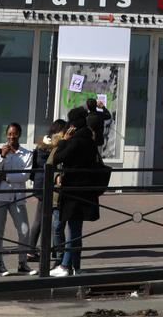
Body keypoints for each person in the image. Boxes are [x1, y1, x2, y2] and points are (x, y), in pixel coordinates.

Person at [51, 106, 105, 276]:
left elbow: (57, 158)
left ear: (73, 124)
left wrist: (63, 141)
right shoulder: (90, 141)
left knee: (72, 231)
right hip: (86, 191)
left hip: (73, 191)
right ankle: (77, 267)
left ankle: (65, 266)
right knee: (76, 230)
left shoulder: (75, 141)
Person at [0, 122, 34, 276]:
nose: (11, 137)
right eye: (9, 134)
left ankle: (22, 263)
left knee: (24, 230)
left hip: (17, 196)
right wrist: (2, 156)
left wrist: (6, 177)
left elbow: (25, 175)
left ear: (19, 134)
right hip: (0, 196)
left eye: (14, 134)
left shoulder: (27, 154)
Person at [29, 118, 69, 263]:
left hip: (41, 183)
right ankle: (32, 250)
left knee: (44, 219)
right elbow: (50, 162)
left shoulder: (43, 141)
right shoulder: (51, 144)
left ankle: (40, 249)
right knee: (43, 220)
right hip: (46, 184)